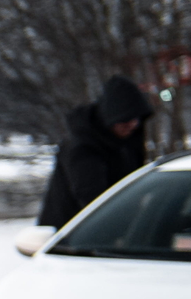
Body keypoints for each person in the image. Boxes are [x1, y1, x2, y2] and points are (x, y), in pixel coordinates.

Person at [37, 75, 152, 228]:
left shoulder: (129, 141)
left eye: (135, 120)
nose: (131, 125)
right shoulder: (82, 147)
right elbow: (93, 200)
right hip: (70, 235)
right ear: (110, 118)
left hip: (106, 230)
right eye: (125, 120)